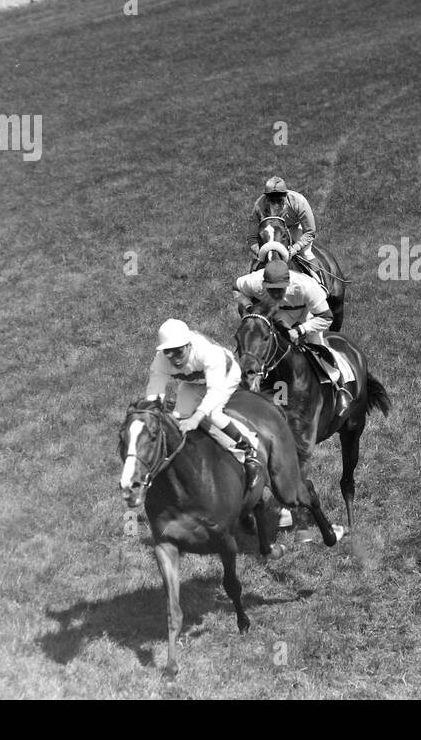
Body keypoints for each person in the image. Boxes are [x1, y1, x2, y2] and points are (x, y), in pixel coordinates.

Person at [145, 318, 289, 525]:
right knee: (177, 419)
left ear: (189, 345)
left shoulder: (207, 352)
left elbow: (215, 392)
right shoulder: (161, 360)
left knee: (211, 413)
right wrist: (151, 415)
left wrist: (196, 417)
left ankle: (247, 445)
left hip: (225, 377)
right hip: (194, 384)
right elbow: (154, 391)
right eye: (168, 352)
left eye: (178, 351)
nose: (173, 358)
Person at [233, 259, 351, 410]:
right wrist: (248, 306)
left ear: (289, 283)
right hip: (273, 312)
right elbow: (235, 287)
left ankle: (338, 387)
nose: (276, 293)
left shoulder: (307, 287)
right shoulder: (253, 281)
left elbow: (326, 317)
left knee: (318, 345)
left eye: (280, 289)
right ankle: (249, 381)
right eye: (271, 289)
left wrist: (300, 330)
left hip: (304, 313)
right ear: (263, 283)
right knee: (255, 344)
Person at [246, 176, 322, 283]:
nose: (275, 203)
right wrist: (260, 252)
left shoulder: (299, 201)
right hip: (272, 231)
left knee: (306, 253)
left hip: (294, 228)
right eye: (271, 199)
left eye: (279, 199)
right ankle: (249, 289)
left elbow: (310, 231)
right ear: (266, 197)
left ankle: (320, 284)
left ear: (285, 195)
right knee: (256, 261)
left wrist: (295, 248)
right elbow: (252, 237)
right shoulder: (259, 205)